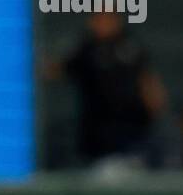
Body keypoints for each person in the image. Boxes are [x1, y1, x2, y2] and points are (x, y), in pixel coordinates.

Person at [53, 9, 167, 166]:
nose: (103, 22)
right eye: (99, 17)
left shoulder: (131, 45)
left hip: (133, 136)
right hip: (99, 141)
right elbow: (58, 69)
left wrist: (154, 103)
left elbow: (149, 83)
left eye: (108, 17)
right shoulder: (85, 49)